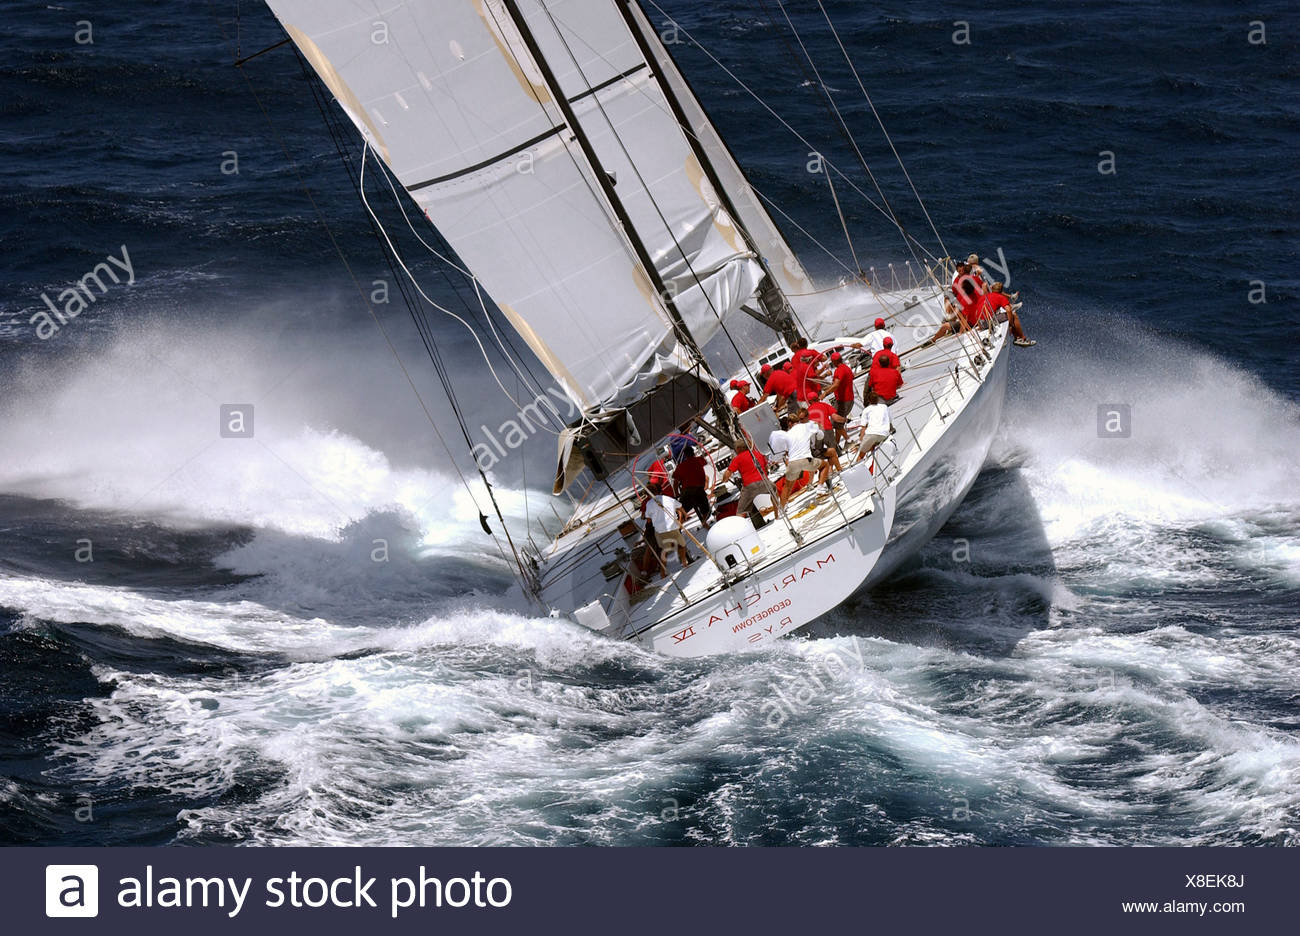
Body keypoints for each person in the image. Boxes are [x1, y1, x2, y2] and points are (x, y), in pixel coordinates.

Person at [776, 408, 833, 512]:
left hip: (793, 463)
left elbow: (785, 453)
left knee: (787, 487)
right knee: (824, 465)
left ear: (789, 424)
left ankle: (782, 510)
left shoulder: (786, 435)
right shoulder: (806, 426)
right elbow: (820, 434)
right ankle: (820, 489)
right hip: (805, 460)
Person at [721, 438, 779, 523]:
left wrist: (724, 480)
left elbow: (727, 473)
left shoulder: (737, 459)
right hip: (764, 482)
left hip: (749, 487)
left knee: (741, 511)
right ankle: (777, 516)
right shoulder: (757, 454)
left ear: (739, 449)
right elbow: (766, 469)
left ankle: (740, 528)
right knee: (774, 492)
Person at [644, 482, 692, 569]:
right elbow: (679, 506)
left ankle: (663, 572)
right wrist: (685, 515)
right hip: (672, 527)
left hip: (660, 530)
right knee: (681, 545)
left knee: (664, 551)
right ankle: (684, 562)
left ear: (648, 494)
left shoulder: (649, 504)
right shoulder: (667, 498)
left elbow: (648, 520)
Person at [975, 281, 1036, 347]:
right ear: (1001, 291)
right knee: (1013, 314)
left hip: (981, 324)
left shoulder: (983, 296)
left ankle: (1018, 338)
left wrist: (980, 327)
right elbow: (1008, 310)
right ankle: (1021, 338)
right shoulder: (1000, 297)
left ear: (992, 289)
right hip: (988, 323)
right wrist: (1010, 325)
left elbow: (976, 312)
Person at [672, 445, 711, 527]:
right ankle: (704, 523)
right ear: (693, 453)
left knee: (681, 513)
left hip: (687, 491)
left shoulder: (680, 466)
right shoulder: (699, 460)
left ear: (685, 455)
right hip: (699, 489)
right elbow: (705, 462)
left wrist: (676, 494)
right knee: (706, 511)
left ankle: (678, 529)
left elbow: (675, 482)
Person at [826, 351, 856, 445]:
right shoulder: (846, 368)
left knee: (836, 422)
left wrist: (825, 393)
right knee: (837, 424)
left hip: (843, 401)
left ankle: (849, 441)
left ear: (834, 362)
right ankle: (837, 444)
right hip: (848, 399)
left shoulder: (839, 370)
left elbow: (836, 384)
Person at [856, 391, 892, 461]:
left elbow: (863, 428)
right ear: (878, 399)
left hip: (871, 435)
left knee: (861, 455)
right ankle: (874, 461)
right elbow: (890, 420)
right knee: (872, 443)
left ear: (869, 400)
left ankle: (858, 464)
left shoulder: (866, 410)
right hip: (884, 435)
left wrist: (860, 442)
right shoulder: (884, 407)